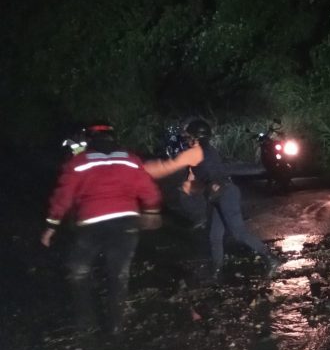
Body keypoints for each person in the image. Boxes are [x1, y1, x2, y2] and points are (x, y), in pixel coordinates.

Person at [41, 121, 163, 335]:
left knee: (78, 270)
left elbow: (63, 196)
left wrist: (51, 225)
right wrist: (152, 210)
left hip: (91, 224)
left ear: (89, 139)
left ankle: (86, 321)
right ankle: (116, 325)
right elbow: (148, 189)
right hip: (126, 222)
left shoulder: (78, 162)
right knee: (118, 273)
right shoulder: (130, 159)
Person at [143, 117, 280, 281]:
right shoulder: (207, 151)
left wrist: (140, 168)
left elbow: (166, 167)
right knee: (215, 236)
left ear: (195, 137)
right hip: (218, 195)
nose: (186, 139)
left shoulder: (194, 152)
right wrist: (190, 186)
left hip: (225, 194)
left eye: (188, 136)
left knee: (238, 233)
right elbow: (203, 179)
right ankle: (216, 272)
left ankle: (271, 258)